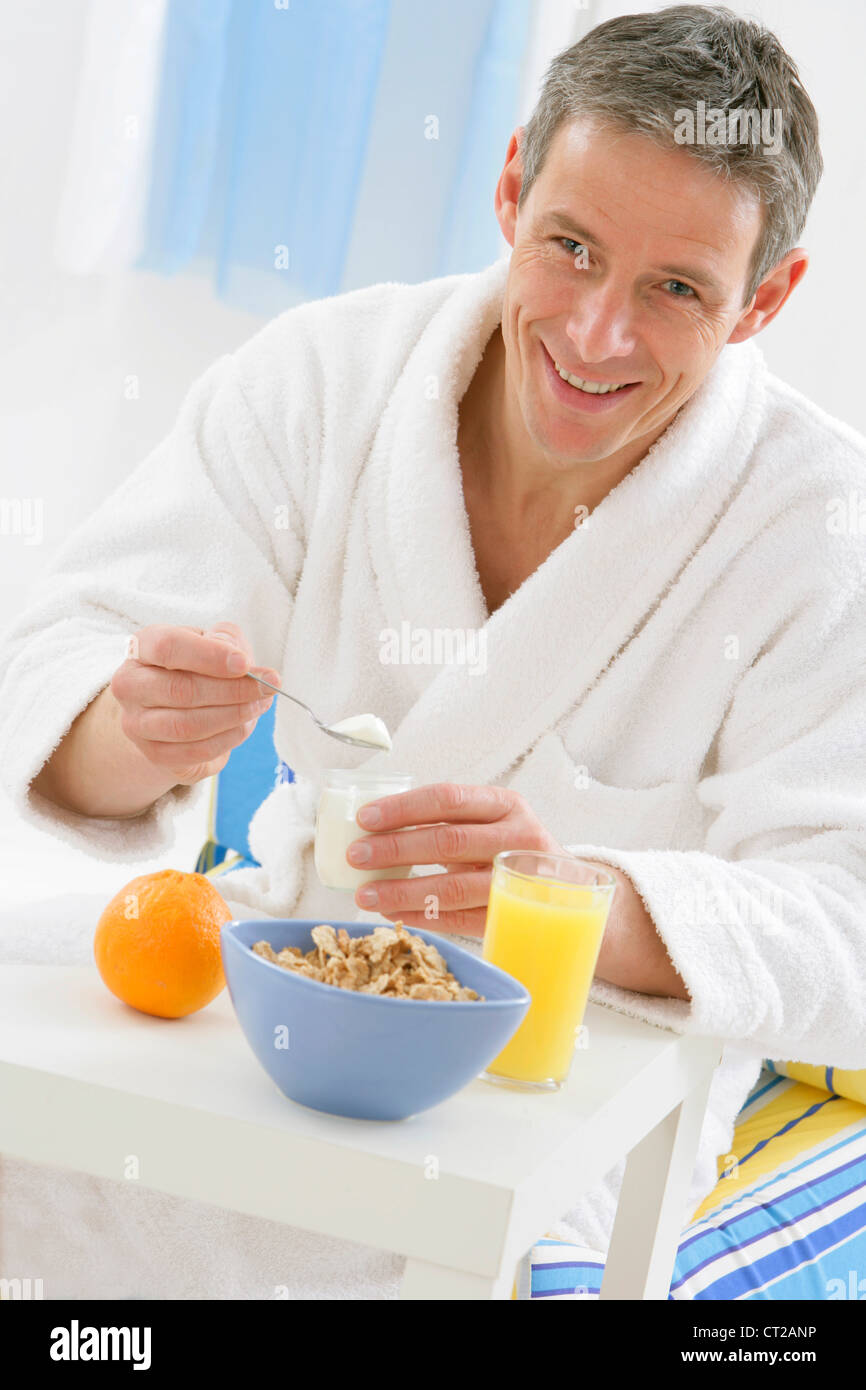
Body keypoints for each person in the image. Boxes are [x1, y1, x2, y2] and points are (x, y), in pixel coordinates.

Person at [1, 4, 864, 1300]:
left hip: (572, 1072)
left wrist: (587, 900)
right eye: (569, 247)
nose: (593, 334)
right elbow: (57, 651)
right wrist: (134, 727)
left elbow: (844, 919)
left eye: (674, 289)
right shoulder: (322, 378)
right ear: (511, 184)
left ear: (765, 300)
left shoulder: (815, 528)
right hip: (276, 977)